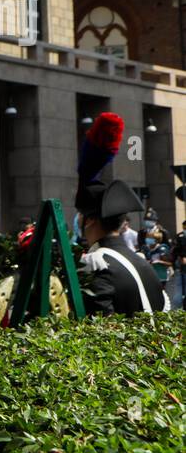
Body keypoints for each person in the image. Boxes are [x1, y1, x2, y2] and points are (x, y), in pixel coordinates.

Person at [75, 113, 169, 314]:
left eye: (80, 215)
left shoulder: (95, 263)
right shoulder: (141, 261)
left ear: (90, 220)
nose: (78, 220)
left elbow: (98, 327)